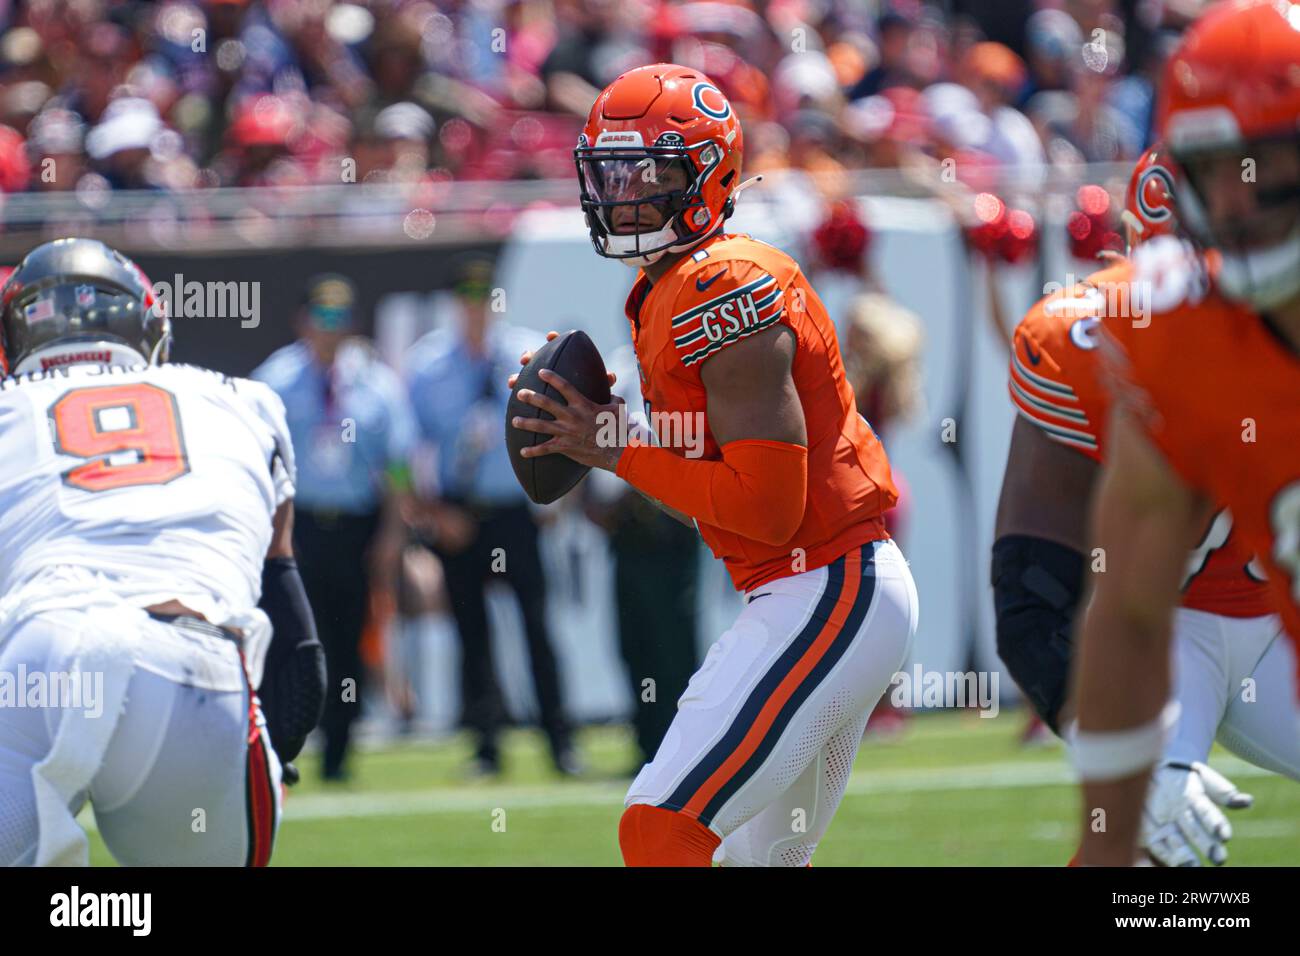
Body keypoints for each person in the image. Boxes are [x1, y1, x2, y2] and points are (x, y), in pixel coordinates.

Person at [512, 64, 917, 866]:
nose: (623, 192)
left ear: (708, 174)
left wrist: (618, 447)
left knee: (659, 825)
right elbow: (721, 500)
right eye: (611, 170)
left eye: (649, 171)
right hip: (815, 589)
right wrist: (615, 439)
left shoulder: (721, 283)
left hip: (826, 586)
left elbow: (766, 507)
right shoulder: (671, 287)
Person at [994, 146, 1292, 866]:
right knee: (1141, 849)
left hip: (1281, 622)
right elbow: (1033, 596)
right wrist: (1131, 757)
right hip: (1167, 627)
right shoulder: (1082, 344)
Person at [0, 238, 323, 866]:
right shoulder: (243, 402)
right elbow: (285, 598)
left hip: (39, 653)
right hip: (192, 662)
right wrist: (276, 740)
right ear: (150, 326)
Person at [1073, 0, 1300, 866]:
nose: (1237, 204)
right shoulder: (1180, 343)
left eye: (1265, 165)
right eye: (1211, 171)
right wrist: (1109, 833)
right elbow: (1128, 610)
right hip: (1211, 634)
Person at [405, 255, 579, 778]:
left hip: (515, 510)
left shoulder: (526, 354)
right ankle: (485, 746)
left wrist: (555, 499)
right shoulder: (428, 366)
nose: (476, 308)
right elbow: (411, 448)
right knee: (472, 635)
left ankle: (560, 742)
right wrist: (434, 512)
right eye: (467, 298)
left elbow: (560, 430)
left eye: (484, 297)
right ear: (455, 304)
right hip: (461, 514)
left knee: (536, 628)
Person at [253, 274, 414, 782]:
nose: (330, 328)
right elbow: (256, 461)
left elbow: (400, 465)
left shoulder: (375, 384)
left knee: (345, 641)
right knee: (290, 637)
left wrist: (392, 535)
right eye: (322, 317)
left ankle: (339, 750)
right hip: (295, 528)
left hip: (354, 529)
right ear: (303, 320)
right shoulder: (275, 380)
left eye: (339, 318)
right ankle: (282, 748)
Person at [583, 346, 699, 771]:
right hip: (627, 533)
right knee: (633, 644)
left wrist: (642, 478)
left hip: (669, 528)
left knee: (674, 647)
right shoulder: (615, 368)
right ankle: (649, 744)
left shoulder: (678, 370)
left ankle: (685, 746)